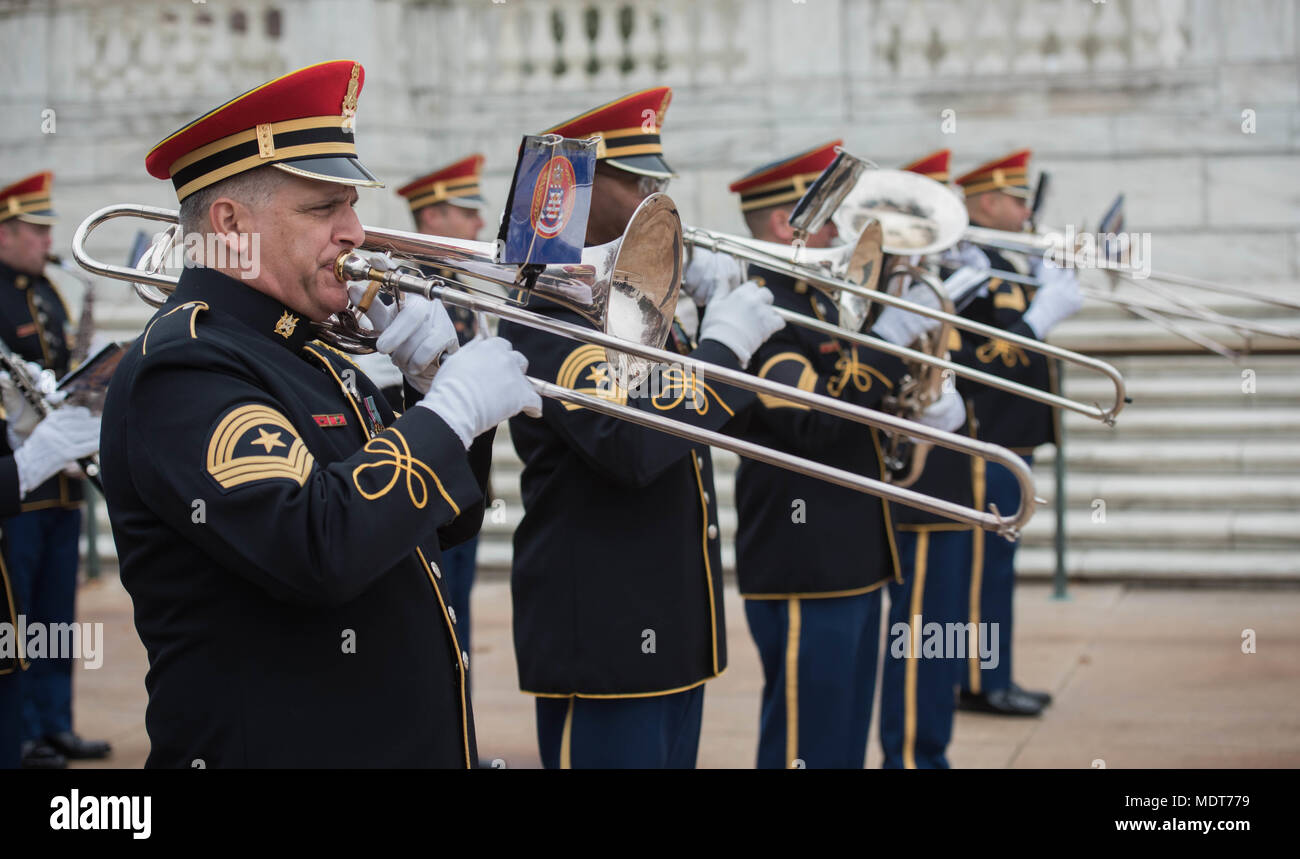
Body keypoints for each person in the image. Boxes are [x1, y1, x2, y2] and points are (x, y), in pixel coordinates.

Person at [99, 60, 541, 767]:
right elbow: (318, 547)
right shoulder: (183, 366)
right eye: (323, 208)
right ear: (231, 223)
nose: (356, 232)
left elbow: (442, 523)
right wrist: (451, 412)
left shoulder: (308, 351)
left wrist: (432, 392)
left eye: (351, 206)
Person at [498, 87, 783, 768]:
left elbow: (689, 418)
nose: (656, 199)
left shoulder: (626, 301)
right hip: (603, 638)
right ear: (580, 187)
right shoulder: (548, 312)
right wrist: (721, 352)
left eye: (657, 180)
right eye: (637, 181)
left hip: (669, 629)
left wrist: (721, 338)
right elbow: (629, 445)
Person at [728, 141, 959, 768]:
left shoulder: (821, 298)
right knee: (808, 745)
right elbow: (810, 427)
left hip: (855, 553)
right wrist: (885, 346)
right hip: (806, 562)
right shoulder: (764, 306)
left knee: (842, 745)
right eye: (832, 214)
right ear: (787, 222)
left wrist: (922, 403)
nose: (845, 229)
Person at [949, 149, 1082, 716]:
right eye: (1016, 198)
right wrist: (1037, 317)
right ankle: (982, 681)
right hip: (986, 438)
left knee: (996, 568)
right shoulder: (971, 266)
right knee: (985, 568)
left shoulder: (1008, 258)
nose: (1026, 208)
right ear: (987, 202)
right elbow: (976, 362)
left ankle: (991, 674)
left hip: (1010, 439)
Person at [0, 170, 112, 768]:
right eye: (35, 230)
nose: (46, 241)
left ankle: (55, 721)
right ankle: (19, 733)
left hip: (61, 477)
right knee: (14, 614)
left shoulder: (49, 293)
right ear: (5, 232)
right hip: (16, 479)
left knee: (55, 614)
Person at [877, 148, 979, 768]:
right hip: (915, 491)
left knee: (941, 640)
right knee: (918, 639)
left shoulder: (935, 284)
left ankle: (930, 749)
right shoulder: (887, 286)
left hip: (952, 485)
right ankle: (913, 757)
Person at [391, 154, 491, 658]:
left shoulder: (460, 287)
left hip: (465, 488)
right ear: (431, 217)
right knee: (432, 634)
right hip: (419, 490)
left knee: (458, 630)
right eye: (465, 210)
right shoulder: (397, 291)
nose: (478, 222)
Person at [0, 401, 101, 769]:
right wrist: (27, 462)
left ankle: (52, 722)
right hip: (21, 502)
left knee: (54, 622)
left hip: (55, 492)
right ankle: (27, 730)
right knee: (17, 627)